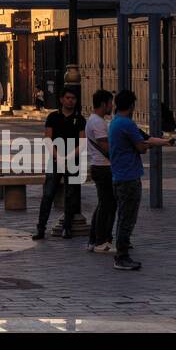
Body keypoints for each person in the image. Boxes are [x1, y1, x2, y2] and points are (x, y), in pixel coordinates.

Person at [108, 89, 171, 270]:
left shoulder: (116, 123)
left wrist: (164, 142)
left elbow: (144, 141)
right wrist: (147, 146)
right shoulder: (126, 124)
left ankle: (122, 253)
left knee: (123, 217)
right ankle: (122, 256)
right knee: (127, 218)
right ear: (131, 105)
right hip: (128, 177)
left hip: (119, 175)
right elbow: (141, 147)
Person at [32, 87, 84, 240]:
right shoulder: (53, 117)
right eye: (67, 98)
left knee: (70, 195)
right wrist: (58, 157)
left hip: (73, 160)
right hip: (55, 160)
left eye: (73, 98)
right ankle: (41, 228)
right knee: (48, 194)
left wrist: (68, 158)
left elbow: (82, 142)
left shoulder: (80, 119)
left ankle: (67, 228)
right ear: (61, 99)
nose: (70, 101)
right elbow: (48, 138)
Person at [85, 89, 115, 253]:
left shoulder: (95, 120)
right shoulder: (98, 122)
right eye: (111, 103)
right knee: (107, 205)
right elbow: (106, 147)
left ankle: (93, 239)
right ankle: (100, 241)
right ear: (104, 104)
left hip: (100, 166)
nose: (112, 106)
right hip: (103, 167)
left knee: (103, 204)